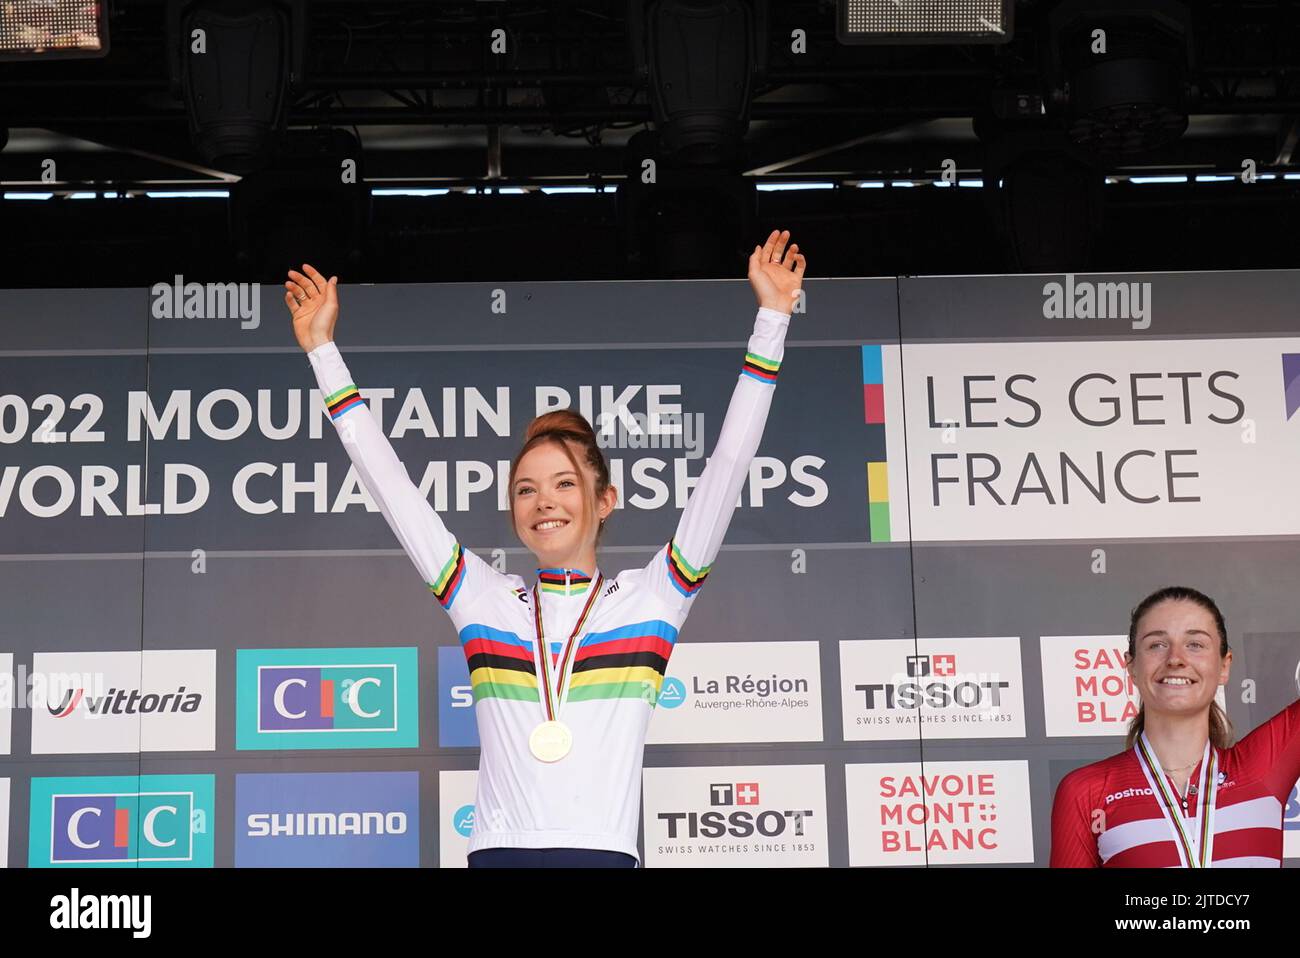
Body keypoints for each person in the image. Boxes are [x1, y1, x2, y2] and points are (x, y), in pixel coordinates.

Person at [284, 231, 806, 867]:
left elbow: (728, 463)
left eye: (565, 484)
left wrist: (773, 319)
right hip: (498, 854)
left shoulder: (656, 596)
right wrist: (322, 351)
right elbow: (390, 488)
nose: (543, 502)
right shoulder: (481, 598)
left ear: (605, 499)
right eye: (525, 489)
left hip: (602, 855)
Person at [1050, 585, 1300, 867]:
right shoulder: (1087, 790)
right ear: (1131, 666)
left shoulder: (1263, 768)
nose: (1176, 659)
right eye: (1157, 644)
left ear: (1224, 666)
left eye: (1195, 644)